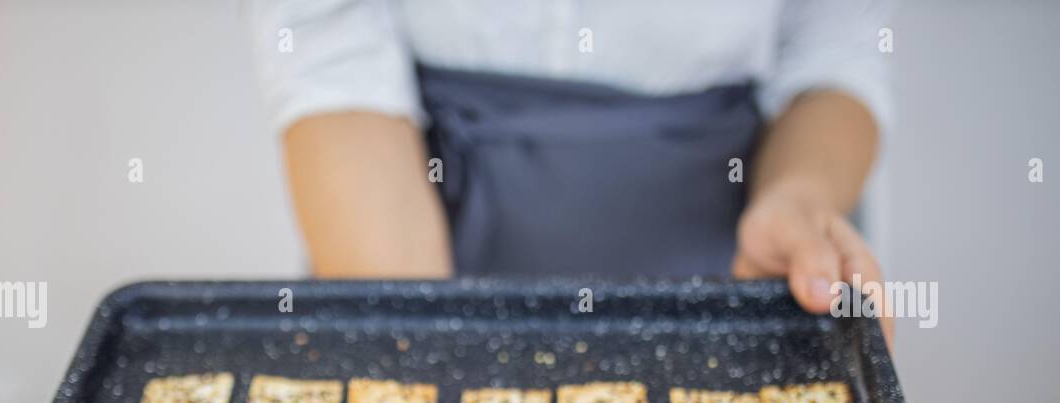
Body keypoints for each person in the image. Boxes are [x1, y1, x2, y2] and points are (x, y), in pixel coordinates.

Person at [248, 0, 892, 339]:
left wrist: (801, 196)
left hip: (736, 252)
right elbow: (329, 50)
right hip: (400, 216)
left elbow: (833, 43)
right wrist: (419, 343)